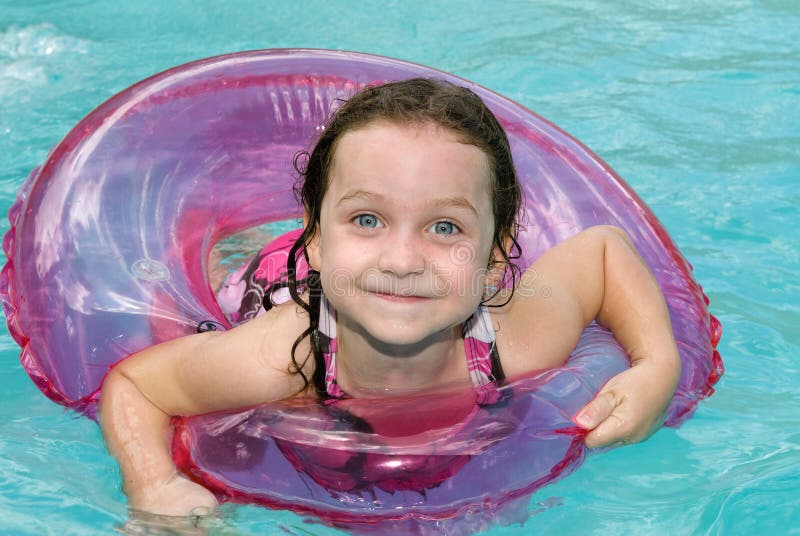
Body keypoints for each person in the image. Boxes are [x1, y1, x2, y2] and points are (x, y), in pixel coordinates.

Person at [99, 78, 681, 518]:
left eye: (445, 227)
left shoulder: (513, 339)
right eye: (367, 217)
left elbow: (604, 249)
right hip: (279, 283)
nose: (404, 261)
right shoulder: (283, 353)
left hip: (352, 274)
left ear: (496, 258)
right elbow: (136, 385)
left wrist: (658, 366)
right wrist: (153, 485)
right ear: (319, 236)